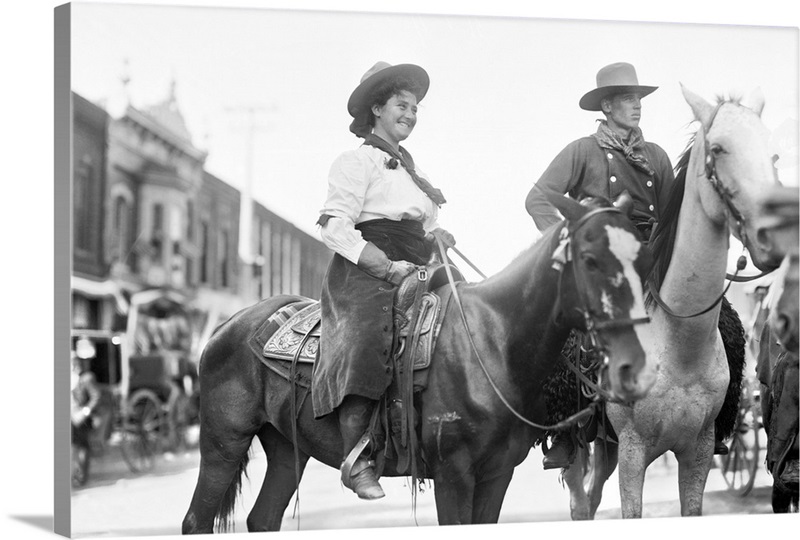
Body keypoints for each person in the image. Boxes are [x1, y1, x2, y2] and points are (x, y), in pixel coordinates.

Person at [312, 61, 455, 500]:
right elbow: (335, 227)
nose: (411, 113)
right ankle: (357, 457)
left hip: (418, 265)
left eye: (415, 107)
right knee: (367, 335)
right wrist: (388, 268)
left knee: (467, 315)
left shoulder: (413, 174)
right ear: (377, 109)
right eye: (401, 105)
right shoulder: (356, 163)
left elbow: (416, 226)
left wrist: (434, 239)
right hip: (365, 271)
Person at [527, 62, 676, 470]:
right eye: (628, 99)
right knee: (568, 327)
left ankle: (714, 415)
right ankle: (564, 431)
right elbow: (538, 199)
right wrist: (572, 241)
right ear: (607, 106)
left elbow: (672, 216)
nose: (637, 106)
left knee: (719, 321)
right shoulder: (582, 150)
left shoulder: (657, 156)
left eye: (638, 99)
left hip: (649, 258)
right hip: (601, 263)